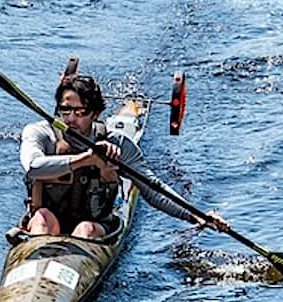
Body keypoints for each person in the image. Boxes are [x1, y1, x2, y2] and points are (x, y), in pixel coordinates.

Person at [13, 72, 228, 242]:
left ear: (95, 114)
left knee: (85, 230)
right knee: (42, 218)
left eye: (79, 113)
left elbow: (153, 189)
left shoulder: (117, 144)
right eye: (65, 110)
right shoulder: (40, 133)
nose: (70, 119)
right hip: (47, 223)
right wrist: (86, 159)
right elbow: (32, 167)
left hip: (94, 227)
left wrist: (195, 215)